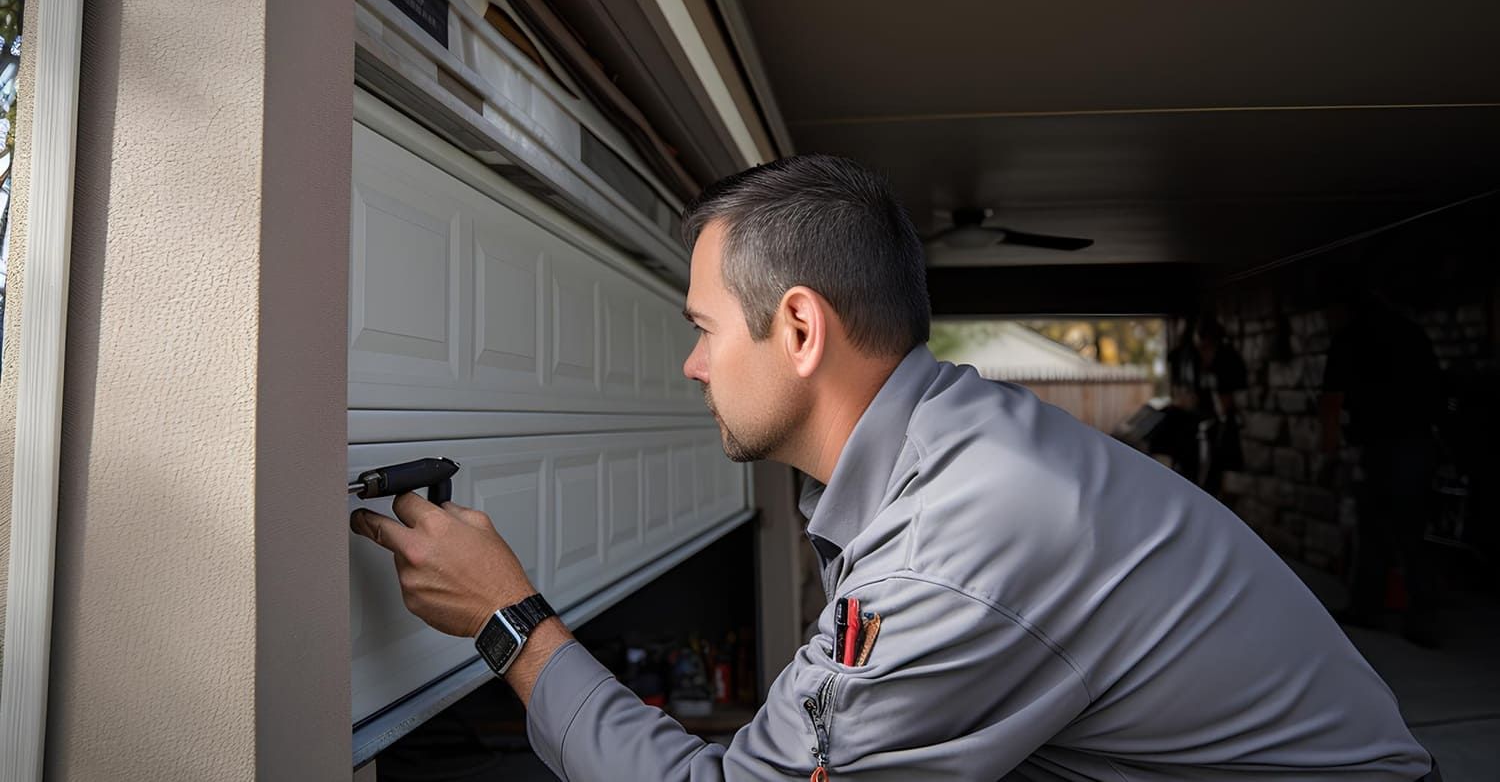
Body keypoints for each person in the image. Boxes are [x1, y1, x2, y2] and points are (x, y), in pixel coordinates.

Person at [351, 155, 1434, 780]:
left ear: (801, 329)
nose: (692, 364)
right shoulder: (956, 438)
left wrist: (511, 624)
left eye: (704, 328)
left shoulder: (955, 539)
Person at [1320, 284, 1444, 648]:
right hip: (1417, 443)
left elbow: (1331, 402)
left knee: (1372, 530)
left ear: (1342, 309)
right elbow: (1438, 390)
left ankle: (1368, 607)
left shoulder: (1348, 340)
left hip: (1377, 445)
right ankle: (1420, 617)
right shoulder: (1411, 332)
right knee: (1411, 532)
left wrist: (1329, 454)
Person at [1164, 316, 1247, 496]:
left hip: (1220, 430)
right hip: (1202, 430)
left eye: (1205, 347)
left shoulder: (1226, 362)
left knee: (1215, 483)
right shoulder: (1195, 361)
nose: (1202, 353)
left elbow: (1225, 404)